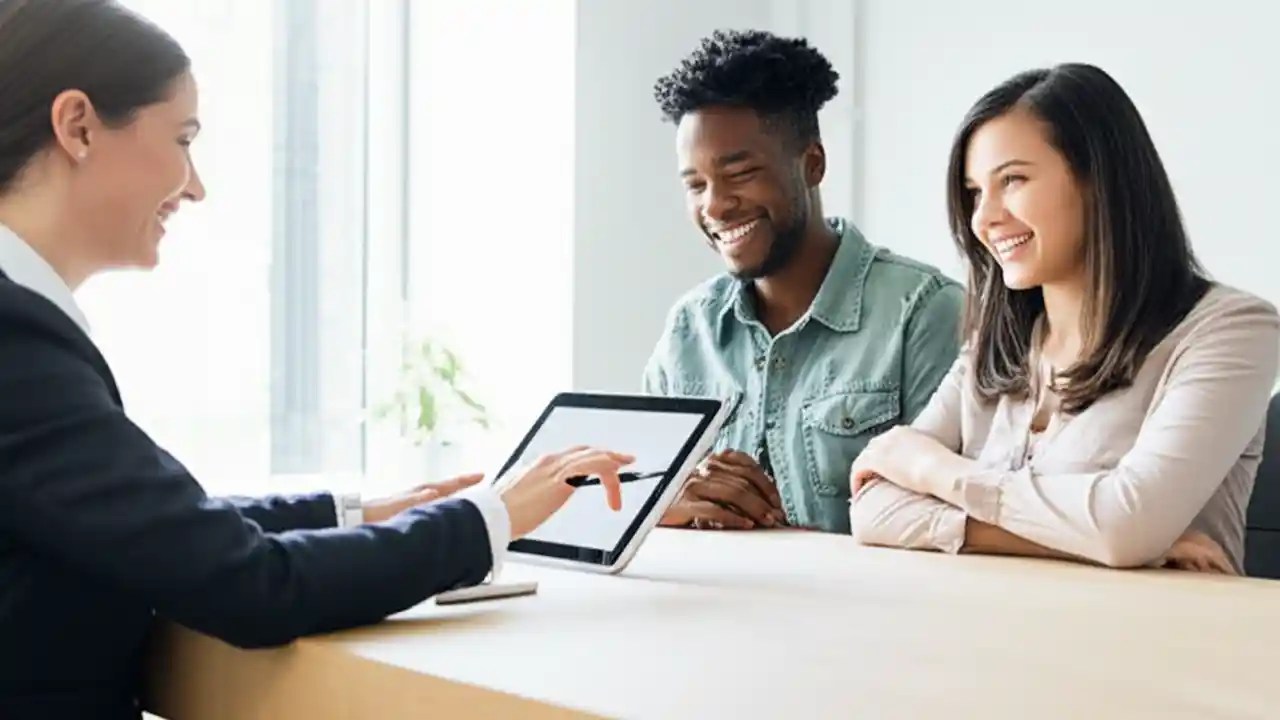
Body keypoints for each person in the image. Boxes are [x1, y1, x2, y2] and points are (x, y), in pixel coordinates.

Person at [0, 2, 632, 717]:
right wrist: (491, 516)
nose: (196, 185)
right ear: (78, 125)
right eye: (183, 139)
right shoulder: (15, 339)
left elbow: (144, 524)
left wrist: (351, 512)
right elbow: (250, 588)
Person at [847, 63, 1279, 575]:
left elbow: (1127, 525)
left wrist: (934, 469)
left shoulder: (1232, 331)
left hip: (1164, 643)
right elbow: (874, 508)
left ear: (1100, 179)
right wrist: (1111, 539)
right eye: (974, 192)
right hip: (993, 633)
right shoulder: (996, 342)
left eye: (1012, 180)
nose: (983, 218)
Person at [643, 30, 964, 534]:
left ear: (812, 164)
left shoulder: (924, 314)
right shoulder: (689, 331)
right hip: (711, 610)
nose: (715, 205)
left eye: (740, 173)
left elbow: (952, 516)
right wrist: (665, 500)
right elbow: (636, 495)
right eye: (696, 184)